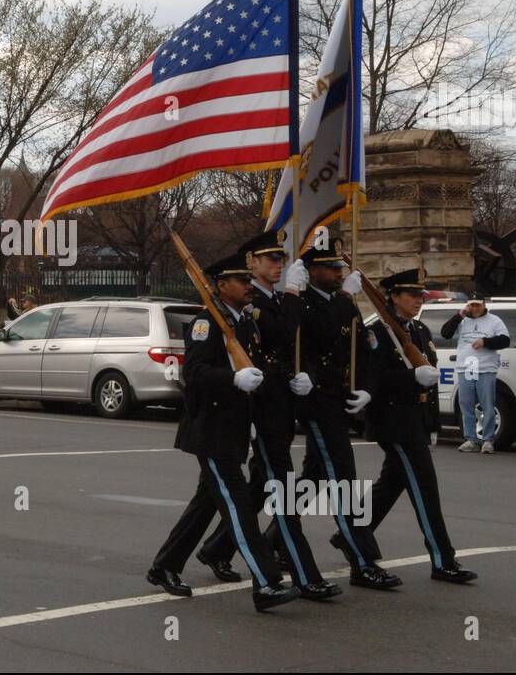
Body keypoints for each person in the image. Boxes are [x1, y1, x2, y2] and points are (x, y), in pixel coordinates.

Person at [147, 248, 301, 613]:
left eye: (250, 280)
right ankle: (266, 583)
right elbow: (195, 374)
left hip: (234, 430)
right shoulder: (207, 323)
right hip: (212, 431)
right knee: (238, 506)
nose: (249, 285)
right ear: (221, 285)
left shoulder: (243, 322)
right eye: (242, 280)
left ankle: (164, 566)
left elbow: (258, 365)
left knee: (204, 505)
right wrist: (232, 378)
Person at [199, 230, 339, 601]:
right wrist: (294, 296)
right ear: (251, 263)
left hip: (279, 401)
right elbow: (280, 334)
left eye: (281, 259)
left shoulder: (271, 297)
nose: (278, 265)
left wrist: (301, 373)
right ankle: (303, 575)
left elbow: (302, 343)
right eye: (271, 260)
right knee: (283, 487)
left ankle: (215, 549)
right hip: (260, 408)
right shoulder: (254, 303)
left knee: (255, 489)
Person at [295, 240, 400, 590]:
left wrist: (367, 387)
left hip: (339, 398)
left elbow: (362, 348)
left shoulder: (344, 302)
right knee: (343, 476)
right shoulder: (304, 303)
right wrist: (342, 299)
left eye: (340, 267)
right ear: (312, 272)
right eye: (331, 267)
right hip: (317, 400)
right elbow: (318, 337)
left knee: (313, 480)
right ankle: (361, 560)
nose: (340, 272)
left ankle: (272, 538)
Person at [361, 268, 476, 584]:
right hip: (393, 422)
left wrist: (433, 423)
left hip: (415, 422)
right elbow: (375, 379)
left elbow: (430, 381)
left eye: (420, 295)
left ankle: (353, 534)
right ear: (394, 297)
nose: (418, 300)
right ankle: (443, 560)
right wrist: (411, 377)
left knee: (391, 485)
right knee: (425, 487)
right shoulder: (378, 333)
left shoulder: (421, 331)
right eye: (411, 295)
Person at [440, 292, 511, 454]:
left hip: (485, 368)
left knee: (487, 404)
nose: (475, 308)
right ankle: (470, 439)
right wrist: (459, 315)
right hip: (465, 368)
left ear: (484, 305)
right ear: (468, 306)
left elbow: (505, 340)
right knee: (466, 405)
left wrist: (485, 342)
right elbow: (445, 333)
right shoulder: (462, 320)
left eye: (478, 305)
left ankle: (487, 440)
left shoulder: (494, 321)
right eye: (472, 305)